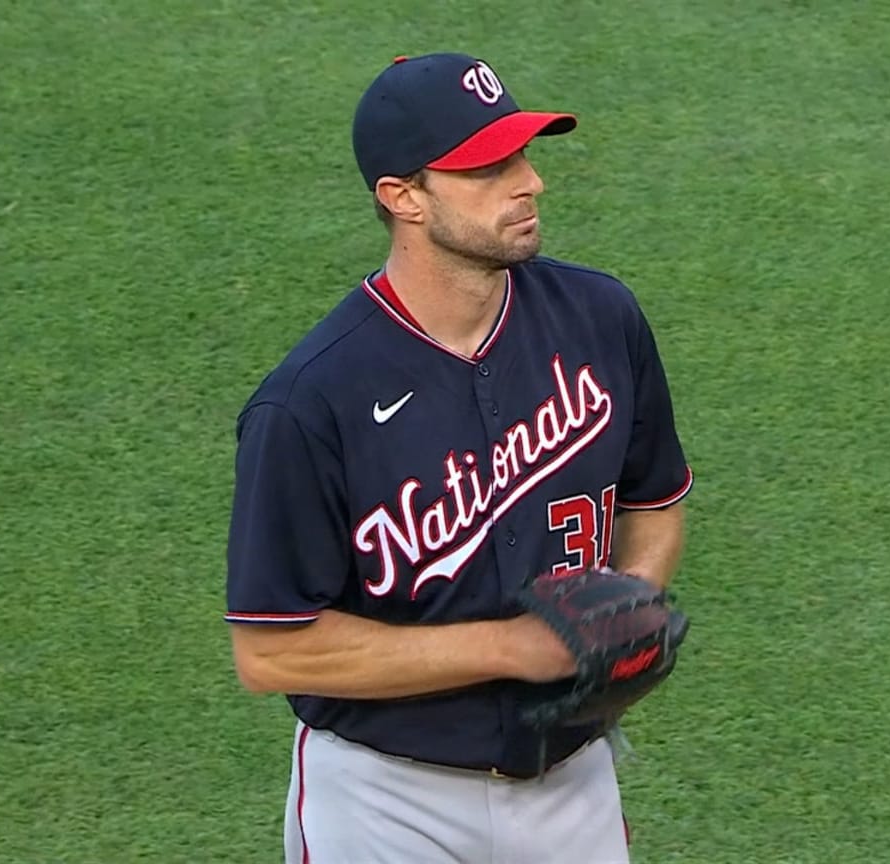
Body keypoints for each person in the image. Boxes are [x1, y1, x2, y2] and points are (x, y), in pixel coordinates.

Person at [222, 51, 695, 863]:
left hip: (572, 783)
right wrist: (513, 648)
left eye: (523, 152)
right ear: (402, 197)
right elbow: (271, 650)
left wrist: (628, 604)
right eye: (486, 166)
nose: (530, 182)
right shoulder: (310, 402)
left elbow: (653, 499)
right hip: (385, 803)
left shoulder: (601, 318)